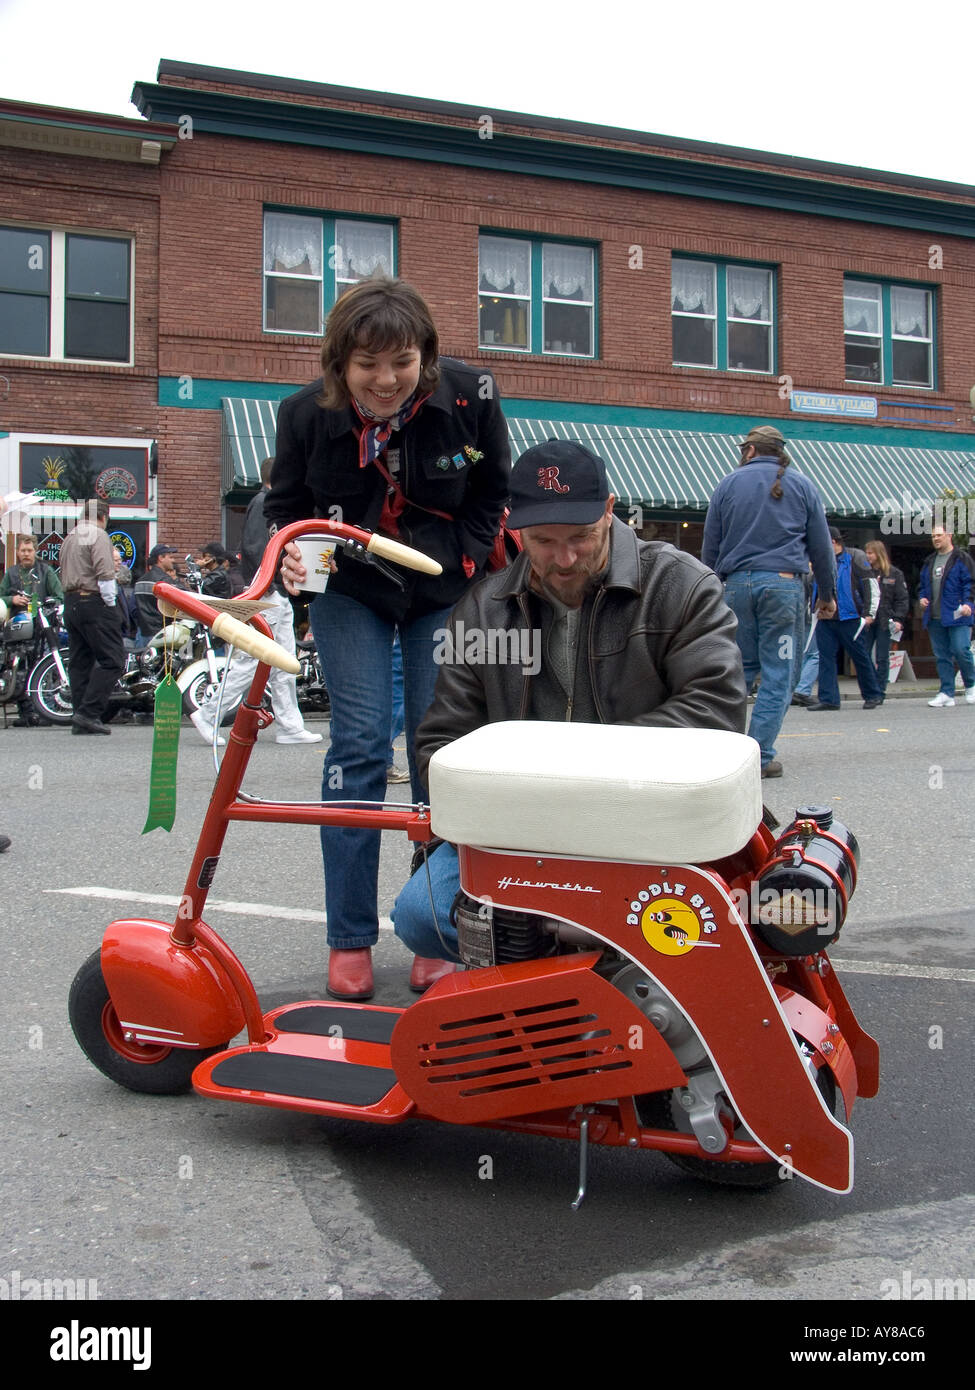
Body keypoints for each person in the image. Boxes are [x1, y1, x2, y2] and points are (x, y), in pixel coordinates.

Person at [393, 438, 748, 959]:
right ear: (513, 526)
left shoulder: (681, 585)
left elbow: (715, 713)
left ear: (609, 511)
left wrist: (573, 774)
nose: (564, 558)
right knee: (420, 916)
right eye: (542, 541)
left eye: (582, 537)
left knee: (699, 926)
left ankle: (568, 961)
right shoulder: (482, 609)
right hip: (516, 833)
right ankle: (581, 961)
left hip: (646, 823)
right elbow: (440, 744)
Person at [268, 275, 511, 1001]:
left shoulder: (471, 399)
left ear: (425, 358)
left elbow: (493, 492)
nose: (385, 379)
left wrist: (466, 561)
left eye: (401, 362)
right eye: (366, 364)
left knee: (437, 753)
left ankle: (431, 927)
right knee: (360, 743)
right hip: (351, 589)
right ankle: (348, 937)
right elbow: (278, 508)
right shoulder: (304, 417)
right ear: (338, 363)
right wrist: (284, 550)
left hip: (440, 588)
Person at [701, 423, 836, 778]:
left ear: (749, 450)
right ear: (779, 451)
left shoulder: (727, 484)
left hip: (735, 587)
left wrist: (708, 593)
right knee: (779, 673)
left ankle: (724, 754)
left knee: (736, 671)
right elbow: (822, 547)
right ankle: (758, 758)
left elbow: (710, 547)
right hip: (782, 586)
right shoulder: (803, 484)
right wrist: (827, 594)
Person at [189, 459, 322, 746]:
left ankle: (289, 725)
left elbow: (253, 549)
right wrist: (268, 584)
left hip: (271, 592)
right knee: (255, 660)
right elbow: (256, 549)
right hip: (268, 594)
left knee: (283, 662)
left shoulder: (262, 502)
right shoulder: (265, 503)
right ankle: (210, 713)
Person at [58, 500, 124, 735]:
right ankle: (89, 712)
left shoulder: (70, 538)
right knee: (113, 659)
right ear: (104, 517)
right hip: (93, 600)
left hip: (71, 602)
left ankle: (80, 715)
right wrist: (111, 603)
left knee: (80, 661)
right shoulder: (98, 535)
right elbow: (105, 573)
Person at [809, 528, 883, 711]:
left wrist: (869, 614)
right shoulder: (821, 560)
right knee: (826, 658)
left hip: (851, 617)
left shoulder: (855, 557)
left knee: (860, 657)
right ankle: (829, 699)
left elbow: (871, 585)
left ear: (833, 541)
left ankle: (873, 694)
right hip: (825, 617)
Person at [0, 534, 65, 725]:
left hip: (41, 629)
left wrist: (44, 605)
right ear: (18, 552)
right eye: (23, 551)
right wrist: (11, 600)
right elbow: (1, 596)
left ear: (35, 551)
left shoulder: (46, 571)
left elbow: (59, 596)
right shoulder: (11, 573)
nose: (26, 554)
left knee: (41, 668)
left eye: (29, 550)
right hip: (16, 629)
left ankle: (44, 712)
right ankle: (25, 714)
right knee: (18, 669)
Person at [919, 524, 975, 706]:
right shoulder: (929, 561)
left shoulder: (961, 558)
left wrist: (968, 603)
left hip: (958, 615)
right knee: (942, 656)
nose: (935, 539)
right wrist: (922, 598)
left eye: (939, 535)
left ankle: (971, 685)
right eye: (933, 536)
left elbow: (971, 583)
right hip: (935, 616)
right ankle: (946, 692)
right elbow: (921, 586)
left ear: (949, 535)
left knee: (961, 650)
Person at [863, 539, 909, 693]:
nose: (867, 556)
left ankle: (880, 689)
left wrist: (898, 619)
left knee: (882, 657)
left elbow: (902, 599)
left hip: (885, 620)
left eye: (870, 553)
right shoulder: (865, 573)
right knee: (864, 654)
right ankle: (870, 685)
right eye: (866, 553)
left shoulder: (894, 574)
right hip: (868, 620)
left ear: (878, 553)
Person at [135, 545, 181, 643]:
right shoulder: (165, 581)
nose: (173, 561)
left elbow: (135, 610)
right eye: (170, 557)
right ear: (161, 558)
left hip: (143, 634)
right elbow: (182, 602)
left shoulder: (139, 581)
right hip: (161, 635)